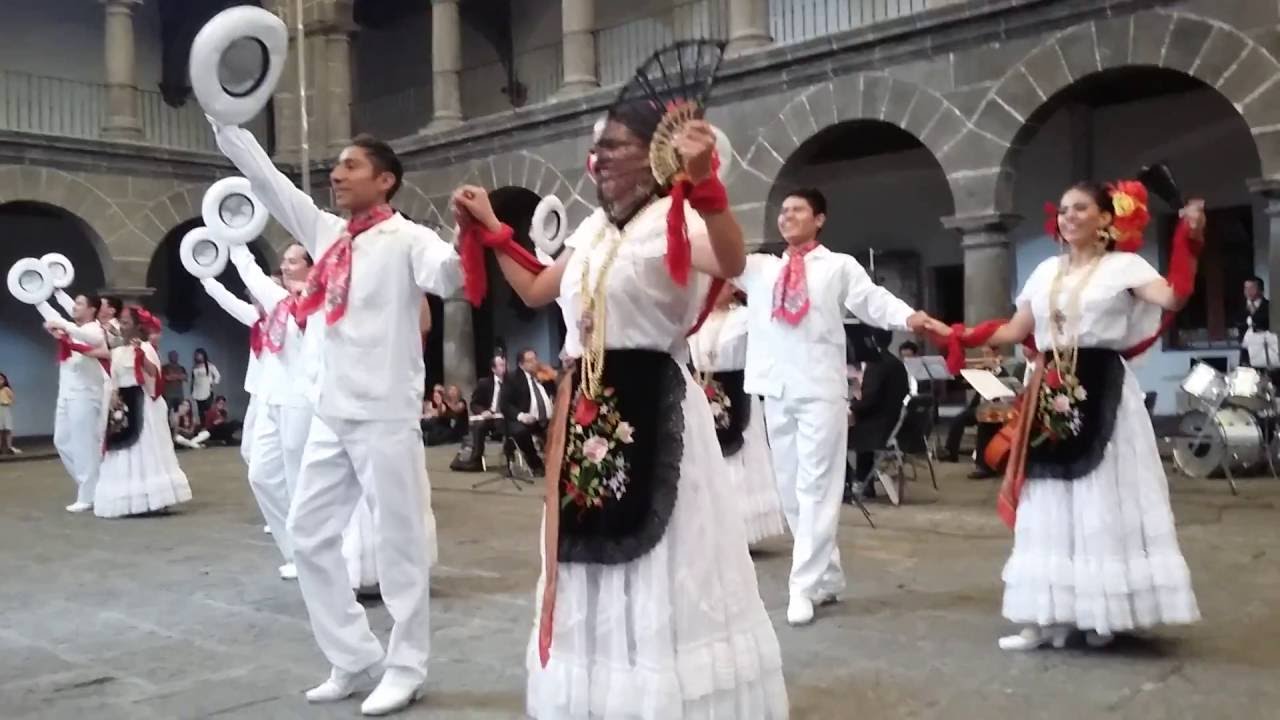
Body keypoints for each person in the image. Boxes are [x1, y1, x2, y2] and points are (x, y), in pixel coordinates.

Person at [452, 90, 787, 717]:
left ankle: (661, 695)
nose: (597, 158)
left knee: (662, 553)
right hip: (586, 406)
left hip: (654, 400)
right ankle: (600, 693)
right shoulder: (592, 229)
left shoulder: (678, 217)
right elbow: (533, 289)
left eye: (612, 145)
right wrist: (493, 228)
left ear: (652, 154)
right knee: (580, 549)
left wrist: (704, 181)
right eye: (595, 146)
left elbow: (734, 258)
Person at [212, 118, 458, 714]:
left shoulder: (410, 238)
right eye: (337, 166)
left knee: (398, 547)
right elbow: (270, 185)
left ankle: (406, 667)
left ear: (385, 180)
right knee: (309, 537)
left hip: (384, 414)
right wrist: (226, 122)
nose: (336, 174)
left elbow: (450, 276)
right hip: (331, 409)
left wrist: (473, 231)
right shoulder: (327, 233)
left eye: (351, 166)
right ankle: (353, 656)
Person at [940, 180, 1203, 650]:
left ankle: (1101, 613)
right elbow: (1017, 328)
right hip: (1049, 386)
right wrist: (956, 331)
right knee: (1045, 500)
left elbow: (1173, 298)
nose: (1069, 217)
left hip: (1101, 385)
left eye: (1081, 208)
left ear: (1106, 218)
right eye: (1063, 210)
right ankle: (1044, 616)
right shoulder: (1044, 271)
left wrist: (1189, 238)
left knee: (1099, 496)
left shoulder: (1125, 266)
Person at [732, 186, 946, 626]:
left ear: (820, 218)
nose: (787, 217)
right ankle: (826, 576)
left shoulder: (838, 266)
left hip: (820, 389)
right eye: (784, 211)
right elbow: (717, 258)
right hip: (775, 387)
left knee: (818, 487)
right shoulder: (759, 268)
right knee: (791, 489)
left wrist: (910, 317)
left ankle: (802, 584)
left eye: (798, 210)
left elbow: (872, 301)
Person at [688, 283, 787, 544]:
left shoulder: (745, 318)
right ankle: (708, 527)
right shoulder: (695, 319)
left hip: (736, 388)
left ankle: (739, 529)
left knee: (737, 457)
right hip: (702, 388)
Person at [91, 306, 192, 518]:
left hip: (143, 402)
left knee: (147, 448)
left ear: (138, 326)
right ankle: (128, 497)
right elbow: (113, 378)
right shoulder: (117, 351)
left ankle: (154, 498)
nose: (123, 325)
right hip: (124, 404)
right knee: (122, 448)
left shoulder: (146, 348)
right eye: (122, 322)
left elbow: (155, 376)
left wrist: (140, 356)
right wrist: (114, 396)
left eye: (127, 322)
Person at [36, 292, 108, 509]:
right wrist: (38, 299)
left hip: (86, 394)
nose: (75, 307)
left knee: (84, 443)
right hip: (66, 394)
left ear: (92, 309)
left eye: (79, 304)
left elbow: (93, 340)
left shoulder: (93, 329)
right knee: (62, 440)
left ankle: (88, 496)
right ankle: (92, 485)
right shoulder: (73, 329)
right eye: (74, 303)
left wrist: (63, 327)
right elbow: (53, 317)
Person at [846, 327, 911, 504]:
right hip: (892, 424)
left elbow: (869, 400)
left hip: (878, 428)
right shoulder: (896, 363)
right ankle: (864, 484)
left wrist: (851, 406)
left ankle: (851, 484)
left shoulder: (877, 364)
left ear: (871, 341)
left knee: (836, 439)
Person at [940, 346, 1008, 480]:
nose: (985, 357)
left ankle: (984, 466)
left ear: (996, 353)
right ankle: (951, 452)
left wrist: (994, 369)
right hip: (978, 407)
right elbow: (962, 384)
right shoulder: (981, 371)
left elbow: (1005, 389)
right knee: (958, 419)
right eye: (983, 353)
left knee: (985, 425)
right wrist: (960, 372)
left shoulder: (1002, 371)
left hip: (996, 409)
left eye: (988, 353)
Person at [500, 348, 553, 475]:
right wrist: (521, 415)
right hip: (527, 419)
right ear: (521, 364)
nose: (535, 363)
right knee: (520, 431)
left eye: (535, 359)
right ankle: (535, 464)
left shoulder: (544, 374)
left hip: (548, 418)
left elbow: (555, 393)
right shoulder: (513, 378)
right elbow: (505, 404)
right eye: (530, 361)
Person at [451, 355, 508, 471]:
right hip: (491, 418)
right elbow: (474, 403)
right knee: (478, 426)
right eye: (501, 365)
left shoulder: (511, 382)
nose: (504, 368)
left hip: (506, 418)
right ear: (493, 369)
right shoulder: (484, 383)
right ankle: (475, 459)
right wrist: (483, 411)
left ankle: (509, 456)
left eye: (505, 365)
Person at [190, 348, 221, 419]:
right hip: (198, 391)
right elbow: (193, 380)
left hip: (207, 391)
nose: (198, 356)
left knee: (207, 410)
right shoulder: (194, 367)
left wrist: (211, 383)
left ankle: (209, 426)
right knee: (200, 412)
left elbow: (217, 376)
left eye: (199, 355)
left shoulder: (210, 366)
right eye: (196, 355)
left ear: (203, 355)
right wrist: (192, 390)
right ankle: (203, 427)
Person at [0, 373, 15, 455]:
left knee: (8, 429)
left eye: (1, 379)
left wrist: (7, 402)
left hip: (6, 410)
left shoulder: (6, 389)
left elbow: (12, 399)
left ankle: (9, 447)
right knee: (0, 431)